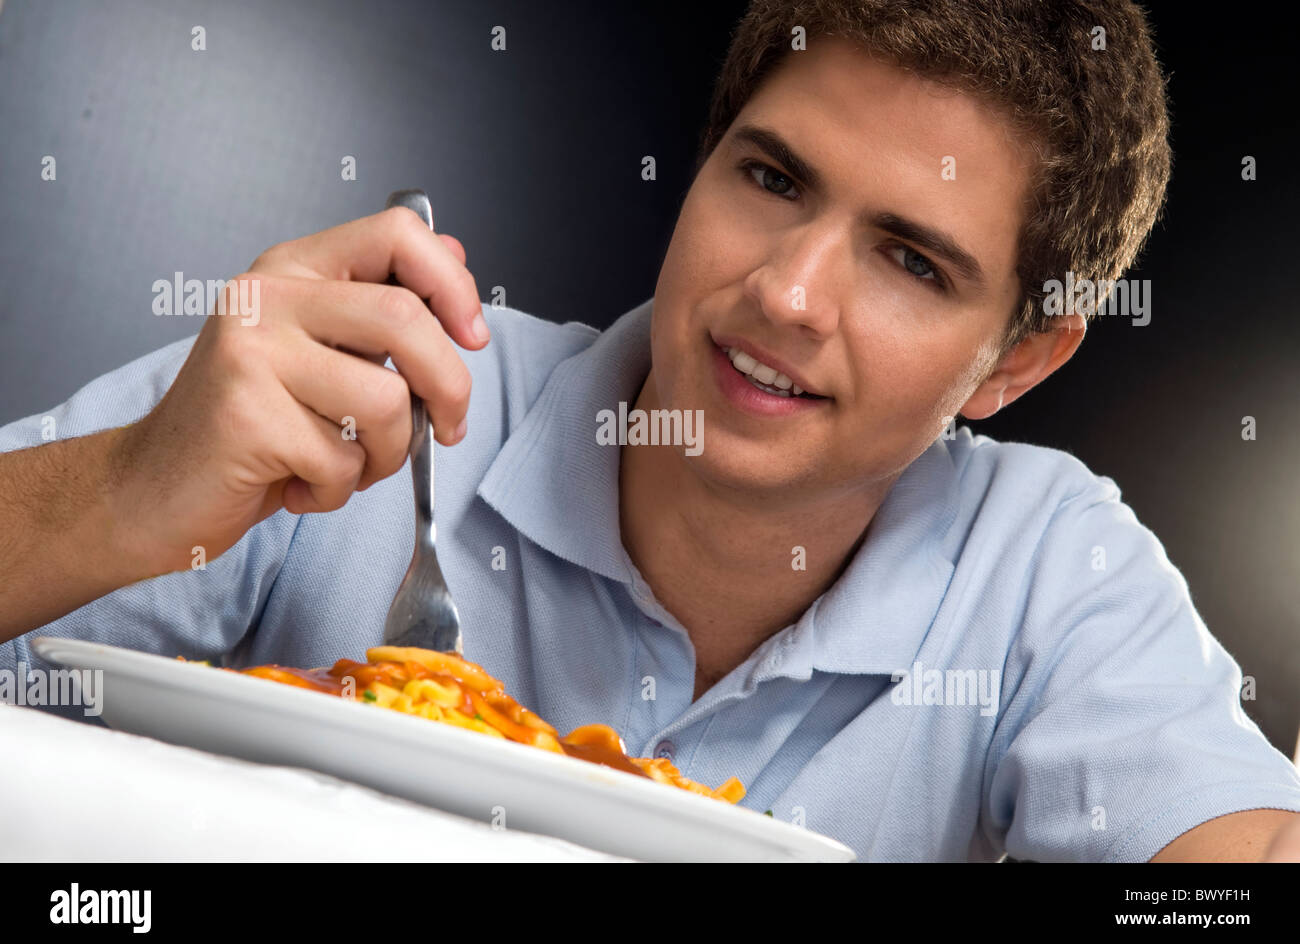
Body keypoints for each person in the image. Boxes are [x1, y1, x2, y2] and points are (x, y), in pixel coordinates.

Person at [2, 0, 1299, 861]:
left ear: (1016, 360)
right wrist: (122, 486)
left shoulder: (1047, 569)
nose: (788, 294)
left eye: (910, 259)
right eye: (773, 177)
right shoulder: (359, 382)